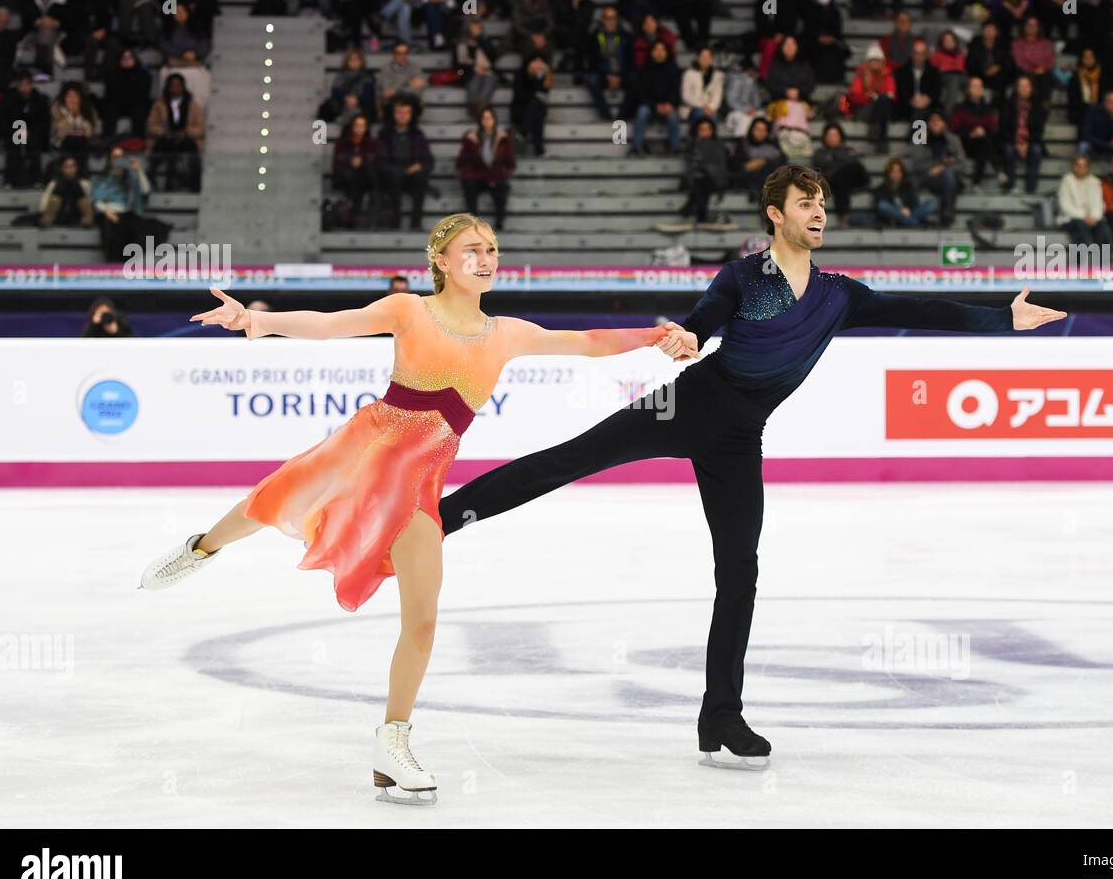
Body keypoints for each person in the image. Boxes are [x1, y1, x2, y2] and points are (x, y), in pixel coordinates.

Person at [431, 167, 1066, 768]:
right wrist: (686, 335)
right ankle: (438, 520)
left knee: (740, 572)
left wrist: (1003, 318)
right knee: (568, 459)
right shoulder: (744, 276)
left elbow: (922, 312)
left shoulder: (838, 296)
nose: (818, 211)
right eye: (804, 203)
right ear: (776, 215)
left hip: (739, 439)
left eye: (822, 204)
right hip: (685, 404)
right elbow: (704, 318)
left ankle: (720, 718)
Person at [139, 213, 688, 803]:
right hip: (364, 448)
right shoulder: (409, 311)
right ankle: (200, 548)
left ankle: (391, 741)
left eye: (492, 248)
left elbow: (586, 344)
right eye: (472, 249)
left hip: (420, 487)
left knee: (423, 619)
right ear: (442, 261)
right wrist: (255, 320)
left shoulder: (507, 333)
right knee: (273, 498)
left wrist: (658, 336)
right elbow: (330, 325)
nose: (486, 257)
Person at [377, 96, 434, 229]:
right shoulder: (384, 134)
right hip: (391, 177)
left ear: (411, 114)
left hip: (412, 177)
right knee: (394, 177)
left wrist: (419, 166)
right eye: (399, 112)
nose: (402, 116)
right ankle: (394, 223)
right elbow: (381, 162)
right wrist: (401, 171)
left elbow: (428, 161)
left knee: (420, 177)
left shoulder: (417, 134)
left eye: (406, 112)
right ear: (393, 114)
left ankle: (415, 223)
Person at [456, 105, 515, 229]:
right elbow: (461, 162)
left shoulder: (502, 139)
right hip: (477, 175)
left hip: (495, 176)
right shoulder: (471, 139)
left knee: (501, 187)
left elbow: (510, 161)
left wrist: (503, 173)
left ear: (494, 120)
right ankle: (473, 222)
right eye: (484, 118)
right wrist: (468, 172)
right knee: (469, 186)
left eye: (489, 118)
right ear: (480, 120)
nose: (487, 121)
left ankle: (500, 221)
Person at [146, 72, 204, 192]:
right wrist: (162, 132)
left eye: (178, 85)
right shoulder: (159, 105)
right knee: (158, 155)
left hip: (187, 139)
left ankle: (194, 187)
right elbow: (151, 125)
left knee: (192, 157)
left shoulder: (192, 105)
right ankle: (153, 183)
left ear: (183, 87)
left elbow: (200, 128)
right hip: (165, 139)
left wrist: (186, 132)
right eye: (172, 85)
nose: (175, 88)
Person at [905, 108, 963, 224]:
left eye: (939, 120)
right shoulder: (920, 139)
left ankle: (947, 211)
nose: (935, 123)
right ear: (927, 124)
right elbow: (916, 164)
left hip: (947, 178)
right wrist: (935, 167)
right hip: (926, 176)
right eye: (932, 120)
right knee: (910, 181)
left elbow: (962, 164)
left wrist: (942, 167)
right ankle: (917, 215)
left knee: (949, 174)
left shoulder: (953, 140)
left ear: (944, 123)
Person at [625, 39, 681, 156]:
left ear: (667, 52)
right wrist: (655, 106)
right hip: (649, 106)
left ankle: (675, 149)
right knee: (642, 111)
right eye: (656, 49)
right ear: (651, 52)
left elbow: (676, 91)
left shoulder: (674, 69)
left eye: (662, 50)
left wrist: (669, 103)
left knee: (673, 115)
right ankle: (636, 148)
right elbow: (641, 93)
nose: (659, 52)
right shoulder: (643, 70)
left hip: (667, 107)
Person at [809, 121, 868, 224]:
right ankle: (843, 218)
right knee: (842, 179)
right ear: (825, 137)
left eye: (835, 135)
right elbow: (820, 167)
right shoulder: (820, 153)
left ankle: (844, 217)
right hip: (832, 182)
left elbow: (855, 165)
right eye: (829, 135)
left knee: (848, 172)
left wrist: (834, 160)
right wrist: (842, 162)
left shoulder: (848, 150)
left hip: (854, 179)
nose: (832, 138)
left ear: (841, 137)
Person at [679, 116, 734, 226]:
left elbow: (721, 165)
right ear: (696, 131)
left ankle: (692, 207)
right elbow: (689, 166)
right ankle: (699, 213)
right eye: (702, 129)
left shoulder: (719, 145)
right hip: (697, 179)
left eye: (708, 129)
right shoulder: (691, 146)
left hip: (716, 178)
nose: (705, 132)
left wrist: (709, 170)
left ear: (712, 130)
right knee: (700, 183)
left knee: (702, 183)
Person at [332, 112, 382, 226]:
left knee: (363, 176)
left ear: (366, 128)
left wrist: (362, 162)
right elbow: (337, 163)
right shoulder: (342, 143)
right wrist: (351, 161)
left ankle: (356, 217)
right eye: (357, 125)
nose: (359, 129)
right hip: (346, 178)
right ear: (352, 126)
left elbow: (375, 162)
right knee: (354, 178)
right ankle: (354, 216)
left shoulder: (372, 143)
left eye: (362, 126)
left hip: (365, 179)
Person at [999, 73, 1046, 194]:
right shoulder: (1008, 105)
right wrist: (1017, 143)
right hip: (1011, 140)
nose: (1024, 89)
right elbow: (1004, 128)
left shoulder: (1037, 106)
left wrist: (1027, 144)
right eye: (1021, 86)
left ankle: (1031, 189)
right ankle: (1012, 186)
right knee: (1008, 150)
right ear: (1017, 88)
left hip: (1031, 141)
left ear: (1031, 88)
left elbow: (1039, 130)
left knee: (1036, 150)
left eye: (1027, 86)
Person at [949, 75, 1000, 186]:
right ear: (968, 89)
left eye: (980, 86)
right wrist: (970, 133)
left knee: (986, 142)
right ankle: (999, 172)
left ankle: (976, 182)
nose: (977, 89)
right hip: (965, 143)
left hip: (983, 143)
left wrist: (983, 131)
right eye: (974, 86)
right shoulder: (959, 107)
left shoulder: (988, 108)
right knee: (986, 144)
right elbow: (954, 128)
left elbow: (993, 128)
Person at [848, 43, 895, 152]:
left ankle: (875, 133)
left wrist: (875, 97)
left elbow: (892, 95)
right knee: (882, 101)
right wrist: (869, 98)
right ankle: (882, 138)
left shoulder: (887, 75)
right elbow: (854, 97)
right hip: (864, 110)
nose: (875, 63)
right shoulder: (861, 74)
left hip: (881, 110)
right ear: (868, 62)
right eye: (873, 60)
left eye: (878, 60)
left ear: (882, 62)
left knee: (882, 101)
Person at [1058, 154, 1113, 246]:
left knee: (1103, 228)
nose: (1081, 168)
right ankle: (1080, 258)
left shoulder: (1095, 181)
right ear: (1074, 166)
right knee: (1081, 228)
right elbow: (1065, 206)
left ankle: (1102, 259)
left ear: (1088, 167)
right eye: (1078, 166)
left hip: (1092, 218)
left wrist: (1094, 217)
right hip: (1071, 218)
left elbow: (1098, 204)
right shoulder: (1067, 181)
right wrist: (1084, 216)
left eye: (1084, 166)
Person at [874, 156, 938, 226]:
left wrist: (907, 210)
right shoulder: (881, 188)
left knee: (932, 204)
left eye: (898, 172)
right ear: (888, 173)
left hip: (910, 213)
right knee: (882, 205)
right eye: (893, 172)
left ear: (902, 173)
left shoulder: (908, 186)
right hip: (893, 217)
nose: (896, 174)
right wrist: (900, 211)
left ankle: (906, 221)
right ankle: (913, 223)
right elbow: (882, 206)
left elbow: (914, 204)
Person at [39, 154, 95, 227]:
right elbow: (43, 204)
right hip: (58, 214)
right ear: (62, 168)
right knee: (55, 198)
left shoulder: (84, 183)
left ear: (76, 168)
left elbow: (90, 202)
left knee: (82, 198)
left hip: (77, 215)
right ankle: (48, 219)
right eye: (66, 167)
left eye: (72, 167)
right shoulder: (54, 183)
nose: (70, 170)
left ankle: (87, 220)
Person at [893, 36, 940, 123]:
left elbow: (936, 91)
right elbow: (901, 92)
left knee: (922, 112)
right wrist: (911, 100)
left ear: (926, 55)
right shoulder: (902, 71)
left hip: (929, 106)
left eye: (922, 54)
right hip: (907, 106)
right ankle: (917, 136)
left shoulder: (933, 71)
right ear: (912, 54)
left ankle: (916, 136)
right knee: (919, 112)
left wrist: (928, 99)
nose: (919, 57)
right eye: (916, 53)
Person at [1077, 89, 1113, 164]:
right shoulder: (1093, 111)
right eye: (1112, 102)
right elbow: (1086, 134)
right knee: (1083, 146)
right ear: (1105, 102)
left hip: (1111, 146)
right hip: (1095, 144)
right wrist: (1106, 144)